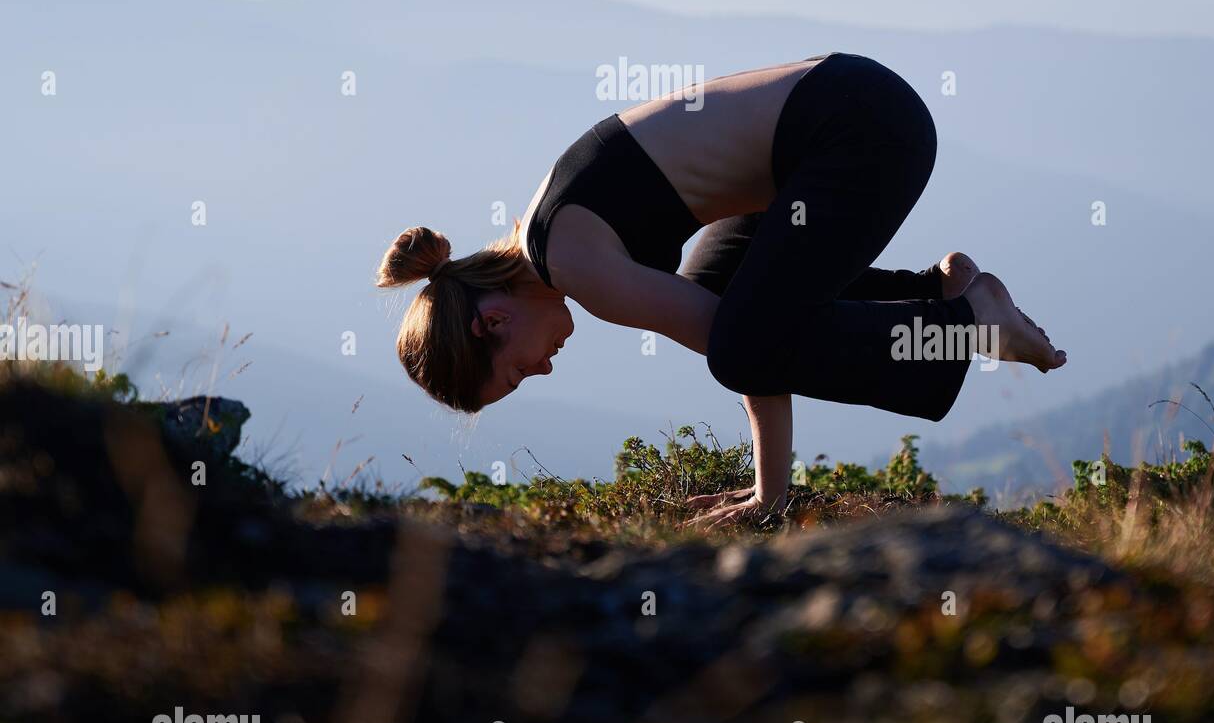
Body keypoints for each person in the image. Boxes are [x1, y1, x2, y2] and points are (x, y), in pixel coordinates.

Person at [376, 52, 1065, 527]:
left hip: (860, 133)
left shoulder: (574, 266)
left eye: (520, 373)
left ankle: (967, 320)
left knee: (741, 345)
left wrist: (770, 497)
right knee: (722, 289)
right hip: (849, 108)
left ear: (490, 323)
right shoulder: (538, 233)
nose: (546, 367)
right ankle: (939, 293)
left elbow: (750, 353)